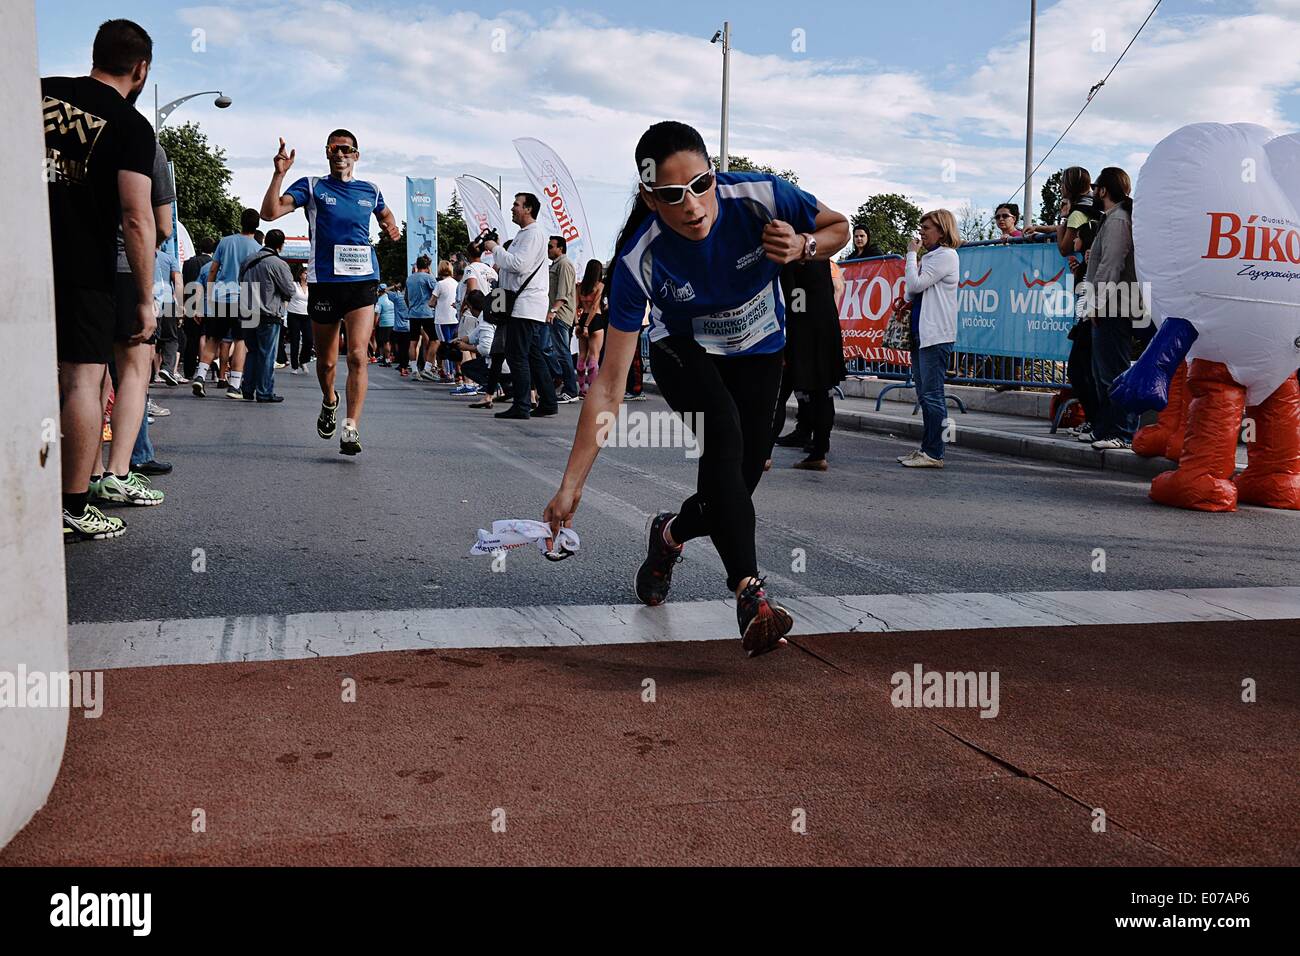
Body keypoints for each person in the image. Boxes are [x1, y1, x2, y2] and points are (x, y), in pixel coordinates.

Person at [543, 120, 849, 657]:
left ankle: (669, 535)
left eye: (701, 184)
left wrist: (803, 245)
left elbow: (838, 228)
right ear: (648, 196)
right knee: (724, 440)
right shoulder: (640, 257)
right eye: (671, 194)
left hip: (760, 352)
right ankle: (750, 594)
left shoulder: (758, 195)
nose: (692, 206)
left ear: (714, 173)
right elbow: (610, 384)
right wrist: (572, 485)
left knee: (739, 484)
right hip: (684, 352)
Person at [45, 19, 159, 539]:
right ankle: (71, 505)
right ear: (140, 69)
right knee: (81, 380)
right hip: (82, 268)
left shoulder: (40, 93)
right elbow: (138, 218)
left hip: (21, 256)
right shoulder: (131, 126)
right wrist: (144, 297)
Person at [260, 130, 401, 455]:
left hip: (363, 280)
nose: (340, 154)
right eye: (334, 149)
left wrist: (389, 226)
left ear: (356, 155)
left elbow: (385, 213)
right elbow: (270, 213)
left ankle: (351, 426)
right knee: (325, 364)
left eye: (346, 149)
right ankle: (330, 400)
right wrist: (279, 174)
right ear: (327, 153)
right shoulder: (312, 186)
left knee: (357, 355)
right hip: (325, 283)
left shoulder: (371, 190)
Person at [481, 194, 557, 420]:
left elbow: (518, 265)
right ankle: (548, 402)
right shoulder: (526, 235)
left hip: (524, 305)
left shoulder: (532, 234)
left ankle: (522, 405)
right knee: (533, 354)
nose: (512, 209)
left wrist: (495, 248)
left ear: (528, 209)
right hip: (526, 303)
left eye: (516, 204)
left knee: (516, 355)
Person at [896, 210, 961, 469]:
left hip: (936, 335)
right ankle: (927, 448)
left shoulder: (946, 255)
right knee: (924, 394)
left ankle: (935, 452)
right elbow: (910, 294)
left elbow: (914, 285)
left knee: (932, 395)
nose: (921, 232)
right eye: (921, 227)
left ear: (942, 231)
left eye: (927, 227)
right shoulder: (933, 256)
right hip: (922, 333)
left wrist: (912, 255)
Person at [1082, 167, 1140, 450]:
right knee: (1101, 373)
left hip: (1115, 306)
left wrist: (1096, 303)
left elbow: (1112, 265)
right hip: (1109, 304)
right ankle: (1105, 429)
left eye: (1096, 187)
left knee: (1114, 373)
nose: (1093, 192)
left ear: (1104, 190)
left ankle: (1123, 432)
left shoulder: (1118, 220)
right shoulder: (1112, 219)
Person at [771, 259, 845, 470]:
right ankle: (819, 450)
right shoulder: (821, 258)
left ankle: (763, 454)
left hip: (803, 334)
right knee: (823, 393)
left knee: (777, 394)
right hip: (826, 329)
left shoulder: (793, 260)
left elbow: (795, 301)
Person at [194, 208, 261, 398]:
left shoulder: (225, 241)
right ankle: (234, 385)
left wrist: (209, 294)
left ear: (240, 222)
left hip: (221, 296)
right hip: (245, 298)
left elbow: (213, 270)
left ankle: (200, 376)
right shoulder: (257, 249)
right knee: (241, 341)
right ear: (257, 226)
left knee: (213, 338)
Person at [238, 229, 297, 403]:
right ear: (281, 245)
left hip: (247, 312)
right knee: (266, 355)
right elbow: (290, 290)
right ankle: (264, 392)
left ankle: (247, 389)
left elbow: (240, 280)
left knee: (252, 352)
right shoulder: (278, 264)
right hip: (268, 314)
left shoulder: (248, 260)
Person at [547, 236, 580, 402]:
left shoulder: (564, 264)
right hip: (557, 315)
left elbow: (563, 293)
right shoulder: (556, 265)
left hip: (560, 315)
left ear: (560, 248)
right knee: (557, 351)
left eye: (551, 246)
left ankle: (571, 390)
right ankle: (562, 383)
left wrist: (553, 310)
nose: (548, 249)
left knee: (562, 353)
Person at [180, 235, 215, 380]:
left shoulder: (188, 263)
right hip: (210, 306)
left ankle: (188, 372)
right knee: (210, 339)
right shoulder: (214, 264)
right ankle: (208, 369)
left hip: (191, 304)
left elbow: (182, 284)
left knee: (191, 338)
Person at [574, 258, 605, 397]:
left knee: (582, 356)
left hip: (582, 319)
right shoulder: (600, 286)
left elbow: (575, 307)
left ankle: (582, 389)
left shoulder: (580, 287)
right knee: (594, 356)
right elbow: (595, 306)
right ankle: (592, 390)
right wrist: (587, 326)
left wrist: (578, 324)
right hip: (596, 321)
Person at [404, 255, 438, 380]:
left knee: (413, 341)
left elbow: (406, 297)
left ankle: (414, 370)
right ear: (428, 266)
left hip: (413, 313)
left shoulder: (409, 279)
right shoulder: (429, 278)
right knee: (435, 340)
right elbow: (437, 292)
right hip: (427, 312)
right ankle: (427, 368)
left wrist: (411, 307)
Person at [431, 260, 461, 381]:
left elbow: (431, 302)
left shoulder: (440, 284)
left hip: (442, 319)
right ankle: (456, 371)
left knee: (445, 345)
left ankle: (448, 373)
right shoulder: (456, 283)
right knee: (454, 344)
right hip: (454, 318)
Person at [285, 263, 313, 373]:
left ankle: (303, 360)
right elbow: (287, 297)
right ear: (301, 274)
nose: (307, 276)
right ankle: (294, 366)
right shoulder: (294, 285)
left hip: (307, 315)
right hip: (294, 314)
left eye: (309, 274)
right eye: (306, 273)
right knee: (295, 341)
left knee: (309, 340)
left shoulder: (312, 287)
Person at [373, 281, 394, 366]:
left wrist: (373, 325)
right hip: (393, 322)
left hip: (384, 323)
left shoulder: (379, 301)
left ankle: (387, 360)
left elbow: (377, 315)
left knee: (386, 342)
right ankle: (388, 358)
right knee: (390, 342)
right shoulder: (392, 298)